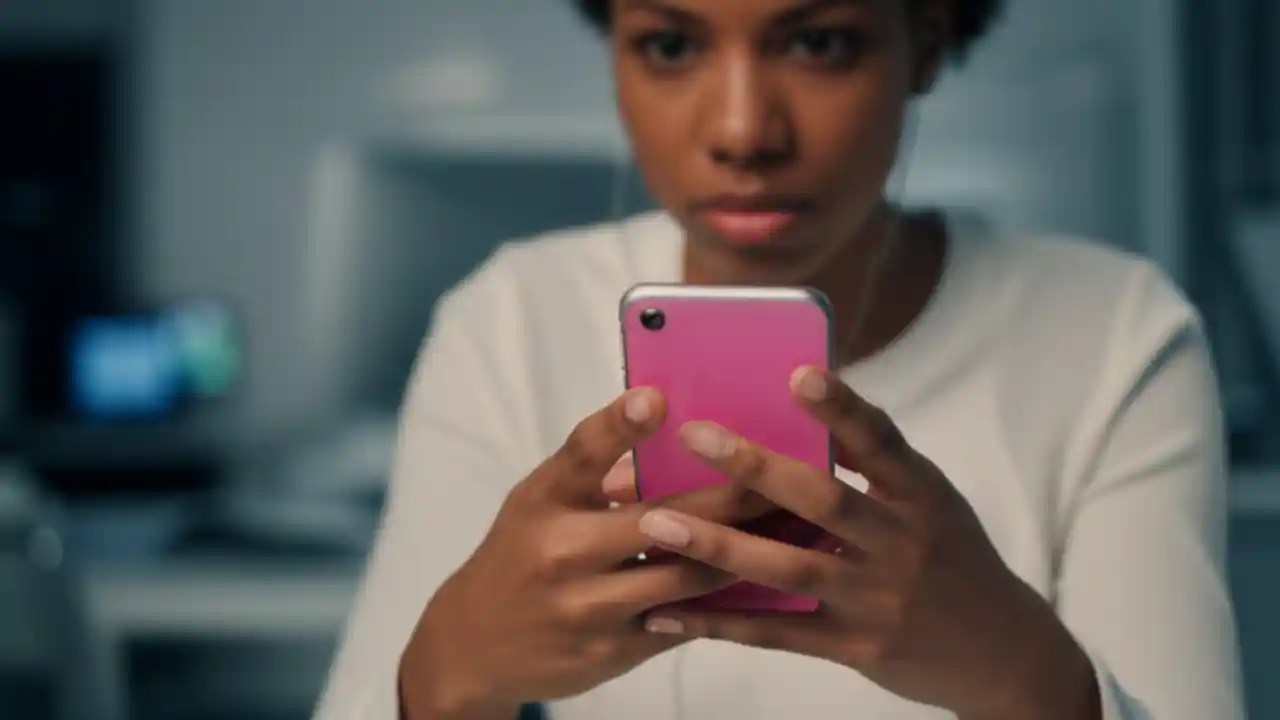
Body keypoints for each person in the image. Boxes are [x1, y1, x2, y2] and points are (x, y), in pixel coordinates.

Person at [315, 0, 1245, 718]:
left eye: (820, 44)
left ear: (923, 41)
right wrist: (444, 678)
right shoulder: (510, 319)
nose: (743, 132)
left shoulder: (1118, 335)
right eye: (671, 47)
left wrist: (1025, 677)